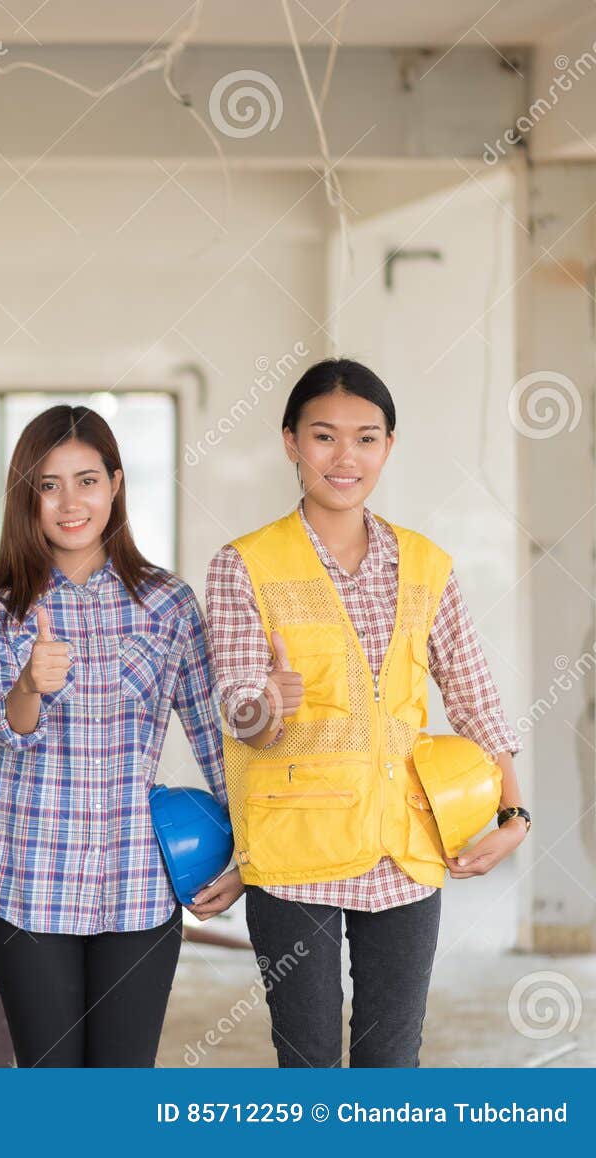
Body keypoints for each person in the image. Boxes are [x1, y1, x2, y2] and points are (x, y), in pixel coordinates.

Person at [205, 358, 528, 1068]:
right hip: (294, 854)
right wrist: (269, 705)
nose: (344, 457)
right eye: (323, 436)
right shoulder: (245, 564)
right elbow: (239, 714)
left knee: (392, 1063)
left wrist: (513, 814)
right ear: (290, 441)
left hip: (406, 849)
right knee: (309, 1060)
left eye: (366, 438)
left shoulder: (427, 565)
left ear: (389, 447)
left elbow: (473, 696)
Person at [0, 405, 240, 1067]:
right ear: (26, 499)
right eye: (48, 485)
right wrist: (30, 683)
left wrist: (247, 855)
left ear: (115, 484)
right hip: (29, 882)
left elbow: (212, 733)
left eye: (86, 480)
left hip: (138, 883)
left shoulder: (168, 604)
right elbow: (6, 728)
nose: (69, 502)